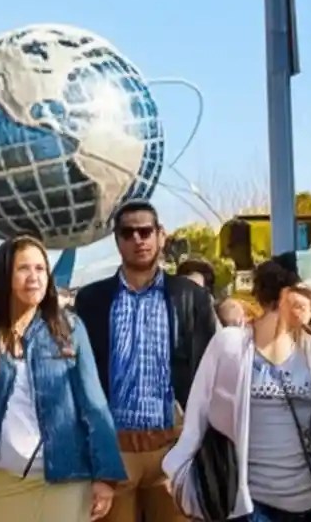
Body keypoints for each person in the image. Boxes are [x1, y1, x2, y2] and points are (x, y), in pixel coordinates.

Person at [0, 235, 126, 521]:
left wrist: (106, 476)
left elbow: (94, 406)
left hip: (65, 478)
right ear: (4, 275)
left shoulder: (69, 329)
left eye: (40, 268)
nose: (34, 277)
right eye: (24, 268)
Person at [164, 254, 311, 522]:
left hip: (306, 506)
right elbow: (198, 417)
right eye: (309, 293)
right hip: (246, 506)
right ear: (283, 291)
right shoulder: (230, 346)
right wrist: (184, 481)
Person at [73, 200, 219, 522]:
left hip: (172, 448)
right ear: (118, 241)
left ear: (160, 235)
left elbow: (210, 374)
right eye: (128, 232)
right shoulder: (92, 300)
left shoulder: (190, 297)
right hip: (114, 453)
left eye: (145, 231)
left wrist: (196, 447)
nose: (138, 239)